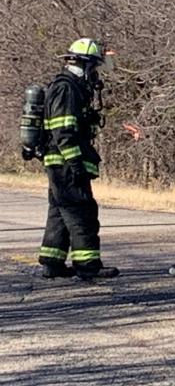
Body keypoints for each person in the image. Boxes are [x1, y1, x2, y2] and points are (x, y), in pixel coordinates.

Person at [37, 38, 119, 280]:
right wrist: (75, 164)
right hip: (65, 163)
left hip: (60, 162)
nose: (95, 74)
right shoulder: (66, 88)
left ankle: (52, 262)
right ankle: (88, 265)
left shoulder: (71, 87)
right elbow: (62, 131)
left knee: (60, 211)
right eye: (93, 67)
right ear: (83, 65)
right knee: (81, 211)